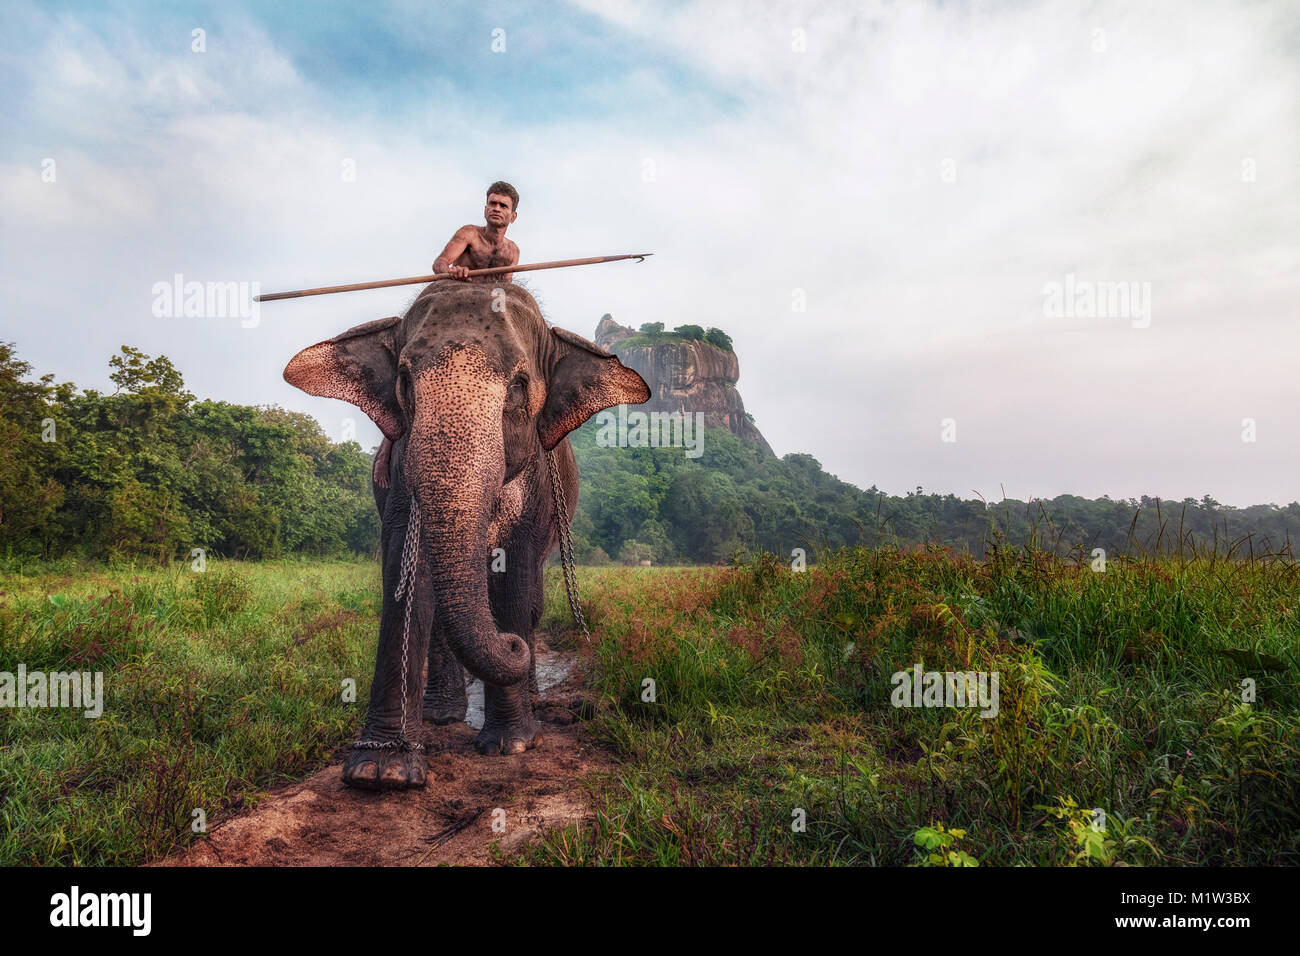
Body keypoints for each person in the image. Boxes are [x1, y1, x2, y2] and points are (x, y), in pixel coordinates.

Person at [373, 182, 522, 488]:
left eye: (503, 206)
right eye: (492, 203)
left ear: (513, 215)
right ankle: (388, 446)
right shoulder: (469, 234)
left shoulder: (512, 251)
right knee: (408, 369)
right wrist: (453, 270)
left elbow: (504, 292)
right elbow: (439, 263)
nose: (496, 208)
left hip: (484, 319)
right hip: (450, 305)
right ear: (485, 208)